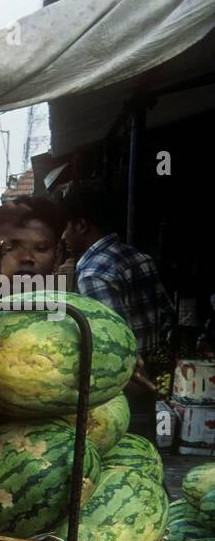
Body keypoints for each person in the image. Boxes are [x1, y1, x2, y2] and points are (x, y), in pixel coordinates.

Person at [62, 185, 174, 445]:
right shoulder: (140, 257)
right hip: (150, 378)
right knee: (144, 454)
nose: (63, 236)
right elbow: (168, 313)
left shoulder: (93, 273)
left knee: (122, 453)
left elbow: (116, 345)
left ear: (81, 225)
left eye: (66, 227)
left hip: (123, 386)